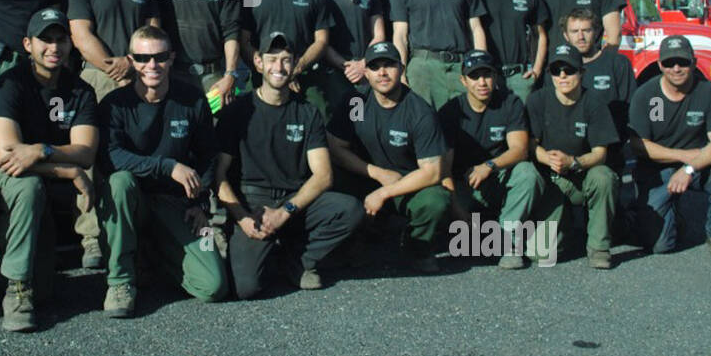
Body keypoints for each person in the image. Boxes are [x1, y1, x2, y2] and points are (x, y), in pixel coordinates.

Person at [215, 31, 362, 298]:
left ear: (295, 64)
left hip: (295, 201)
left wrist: (285, 212)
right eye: (272, 59)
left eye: (286, 60)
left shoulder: (307, 112)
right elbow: (219, 175)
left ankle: (299, 260)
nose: (279, 68)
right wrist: (242, 218)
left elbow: (323, 176)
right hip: (252, 204)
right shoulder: (237, 111)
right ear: (258, 62)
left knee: (348, 209)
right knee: (246, 288)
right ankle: (271, 251)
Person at [97, 26, 229, 317]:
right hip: (134, 202)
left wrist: (200, 203)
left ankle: (153, 254)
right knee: (119, 182)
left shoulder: (193, 99)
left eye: (159, 57)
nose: (151, 65)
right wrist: (166, 166)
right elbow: (111, 158)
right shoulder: (114, 105)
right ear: (131, 61)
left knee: (214, 286)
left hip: (176, 204)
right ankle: (120, 281)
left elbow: (209, 154)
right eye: (143, 58)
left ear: (172, 58)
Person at [0, 7, 98, 332]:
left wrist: (41, 149)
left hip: (46, 181)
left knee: (46, 290)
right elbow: (8, 156)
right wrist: (68, 171)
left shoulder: (80, 90)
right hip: (11, 183)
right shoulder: (10, 84)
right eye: (44, 40)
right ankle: (16, 289)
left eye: (60, 39)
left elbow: (86, 151)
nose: (54, 47)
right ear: (27, 44)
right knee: (27, 185)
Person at [67, 0, 159, 267]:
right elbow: (80, 34)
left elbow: (152, 31)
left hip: (138, 77)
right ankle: (91, 237)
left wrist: (134, 66)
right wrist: (114, 66)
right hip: (97, 78)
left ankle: (131, 229)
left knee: (134, 151)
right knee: (89, 156)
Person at [327, 41, 450, 273]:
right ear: (366, 72)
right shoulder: (357, 102)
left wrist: (385, 192)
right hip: (365, 176)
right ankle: (355, 240)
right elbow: (336, 147)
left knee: (435, 201)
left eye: (389, 65)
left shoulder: (419, 111)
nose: (382, 73)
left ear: (401, 69)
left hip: (405, 185)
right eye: (375, 67)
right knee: (329, 179)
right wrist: (376, 174)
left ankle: (417, 248)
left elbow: (432, 171)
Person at [628, 35, 711, 262]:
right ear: (660, 64)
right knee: (659, 245)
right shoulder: (646, 94)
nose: (676, 68)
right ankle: (667, 213)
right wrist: (682, 157)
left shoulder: (709, 92)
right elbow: (639, 146)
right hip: (656, 170)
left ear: (693, 62)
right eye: (670, 62)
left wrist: (689, 168)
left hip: (697, 166)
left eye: (682, 62)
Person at [438, 50, 545, 269]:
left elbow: (520, 149)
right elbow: (444, 168)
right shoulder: (450, 111)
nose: (482, 82)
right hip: (463, 184)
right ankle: (468, 235)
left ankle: (508, 243)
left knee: (527, 173)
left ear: (495, 77)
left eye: (487, 75)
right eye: (474, 76)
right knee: (439, 201)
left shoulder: (510, 103)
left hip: (497, 176)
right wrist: (458, 211)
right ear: (463, 81)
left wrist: (489, 166)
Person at [525, 43, 620, 268]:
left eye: (569, 70)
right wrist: (546, 158)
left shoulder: (595, 102)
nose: (563, 75)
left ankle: (598, 247)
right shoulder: (537, 100)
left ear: (582, 72)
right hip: (551, 179)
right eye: (556, 71)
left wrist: (574, 162)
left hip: (582, 177)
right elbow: (530, 144)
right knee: (541, 254)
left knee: (604, 176)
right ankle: (563, 223)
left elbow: (600, 153)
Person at [242, 0, 332, 110]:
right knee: (248, 125)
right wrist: (272, 73)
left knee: (323, 126)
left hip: (306, 78)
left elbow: (322, 41)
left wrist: (295, 69)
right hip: (262, 78)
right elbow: (244, 42)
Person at [312, 0, 385, 117]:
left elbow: (379, 34)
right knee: (340, 127)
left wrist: (363, 64)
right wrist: (347, 66)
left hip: (367, 70)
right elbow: (319, 40)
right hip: (336, 74)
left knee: (364, 123)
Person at [562, 6, 634, 174]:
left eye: (586, 30)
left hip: (609, 154)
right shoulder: (558, 69)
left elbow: (629, 110)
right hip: (568, 154)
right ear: (566, 36)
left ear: (596, 32)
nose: (580, 37)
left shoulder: (618, 63)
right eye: (574, 31)